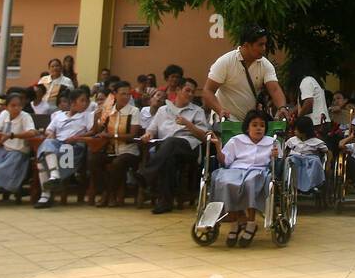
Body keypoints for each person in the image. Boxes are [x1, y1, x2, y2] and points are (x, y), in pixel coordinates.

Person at [139, 77, 211, 213]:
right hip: (166, 150)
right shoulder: (163, 110)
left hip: (189, 148)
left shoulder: (197, 111)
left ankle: (146, 174)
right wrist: (147, 135)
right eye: (187, 90)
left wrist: (188, 124)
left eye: (193, 92)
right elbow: (151, 130)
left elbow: (203, 136)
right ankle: (165, 202)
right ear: (178, 90)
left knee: (171, 141)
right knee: (168, 160)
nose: (190, 94)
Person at [210, 109, 280, 246]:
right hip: (236, 169)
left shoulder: (272, 142)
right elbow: (225, 162)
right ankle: (235, 223)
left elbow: (277, 166)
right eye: (254, 125)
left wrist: (275, 157)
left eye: (262, 125)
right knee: (225, 182)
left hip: (259, 171)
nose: (259, 128)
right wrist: (218, 146)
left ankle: (251, 223)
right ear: (247, 128)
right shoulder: (236, 141)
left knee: (251, 182)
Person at [203, 25, 287, 119]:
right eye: (260, 44)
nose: (264, 48)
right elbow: (208, 91)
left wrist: (282, 107)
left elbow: (274, 89)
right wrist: (220, 110)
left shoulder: (265, 64)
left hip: (249, 123)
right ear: (246, 45)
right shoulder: (225, 61)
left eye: (265, 44)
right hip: (225, 121)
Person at [34, 88, 98, 207]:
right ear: (73, 102)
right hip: (57, 145)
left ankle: (46, 195)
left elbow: (92, 131)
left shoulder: (87, 116)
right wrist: (50, 134)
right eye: (82, 100)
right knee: (47, 146)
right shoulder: (59, 116)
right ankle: (53, 178)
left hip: (73, 147)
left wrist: (77, 137)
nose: (86, 103)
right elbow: (49, 129)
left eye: (86, 101)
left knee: (43, 160)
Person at [91, 80, 143, 206]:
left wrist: (112, 136)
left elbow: (132, 135)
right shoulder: (108, 110)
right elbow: (97, 131)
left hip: (129, 150)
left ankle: (108, 195)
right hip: (111, 149)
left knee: (117, 163)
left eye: (128, 94)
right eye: (123, 94)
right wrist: (96, 118)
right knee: (93, 159)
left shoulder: (134, 111)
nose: (126, 97)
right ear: (114, 94)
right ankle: (106, 191)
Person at [285, 116, 329, 194]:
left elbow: (327, 152)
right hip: (296, 157)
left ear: (304, 131)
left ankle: (312, 185)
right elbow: (285, 151)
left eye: (296, 129)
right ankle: (293, 183)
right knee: (291, 161)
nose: (294, 131)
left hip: (310, 159)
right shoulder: (292, 140)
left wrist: (328, 162)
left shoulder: (316, 142)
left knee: (316, 161)